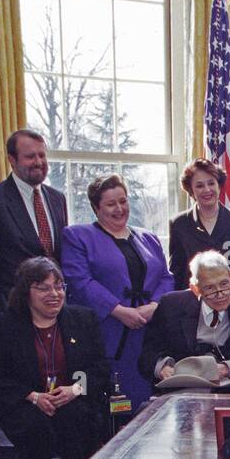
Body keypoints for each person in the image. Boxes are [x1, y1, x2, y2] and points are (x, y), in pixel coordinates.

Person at [0, 257, 109, 459]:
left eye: (59, 286)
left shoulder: (83, 319)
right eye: (43, 288)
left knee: (77, 422)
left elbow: (101, 369)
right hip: (24, 402)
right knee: (36, 429)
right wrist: (33, 396)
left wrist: (76, 388)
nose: (54, 294)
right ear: (26, 292)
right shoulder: (2, 328)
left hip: (71, 398)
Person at [60, 173, 172, 408]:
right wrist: (118, 310)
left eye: (123, 201)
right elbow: (79, 281)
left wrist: (155, 305)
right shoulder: (77, 236)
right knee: (116, 411)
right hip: (108, 334)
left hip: (149, 334)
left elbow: (165, 277)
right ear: (95, 207)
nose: (119, 208)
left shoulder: (149, 238)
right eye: (111, 204)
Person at [137, 250, 230, 394]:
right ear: (195, 289)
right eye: (210, 288)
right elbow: (148, 354)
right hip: (184, 390)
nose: (220, 294)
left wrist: (229, 368)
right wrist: (163, 368)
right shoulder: (171, 305)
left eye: (224, 284)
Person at [0, 128, 69, 317]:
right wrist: (4, 314)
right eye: (30, 157)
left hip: (57, 314)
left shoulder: (57, 199)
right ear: (12, 160)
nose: (38, 162)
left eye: (42, 155)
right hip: (14, 315)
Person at [167, 158, 230, 288]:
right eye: (199, 186)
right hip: (193, 302)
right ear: (191, 191)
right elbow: (176, 273)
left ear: (219, 185)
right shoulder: (178, 224)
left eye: (211, 183)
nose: (207, 190)